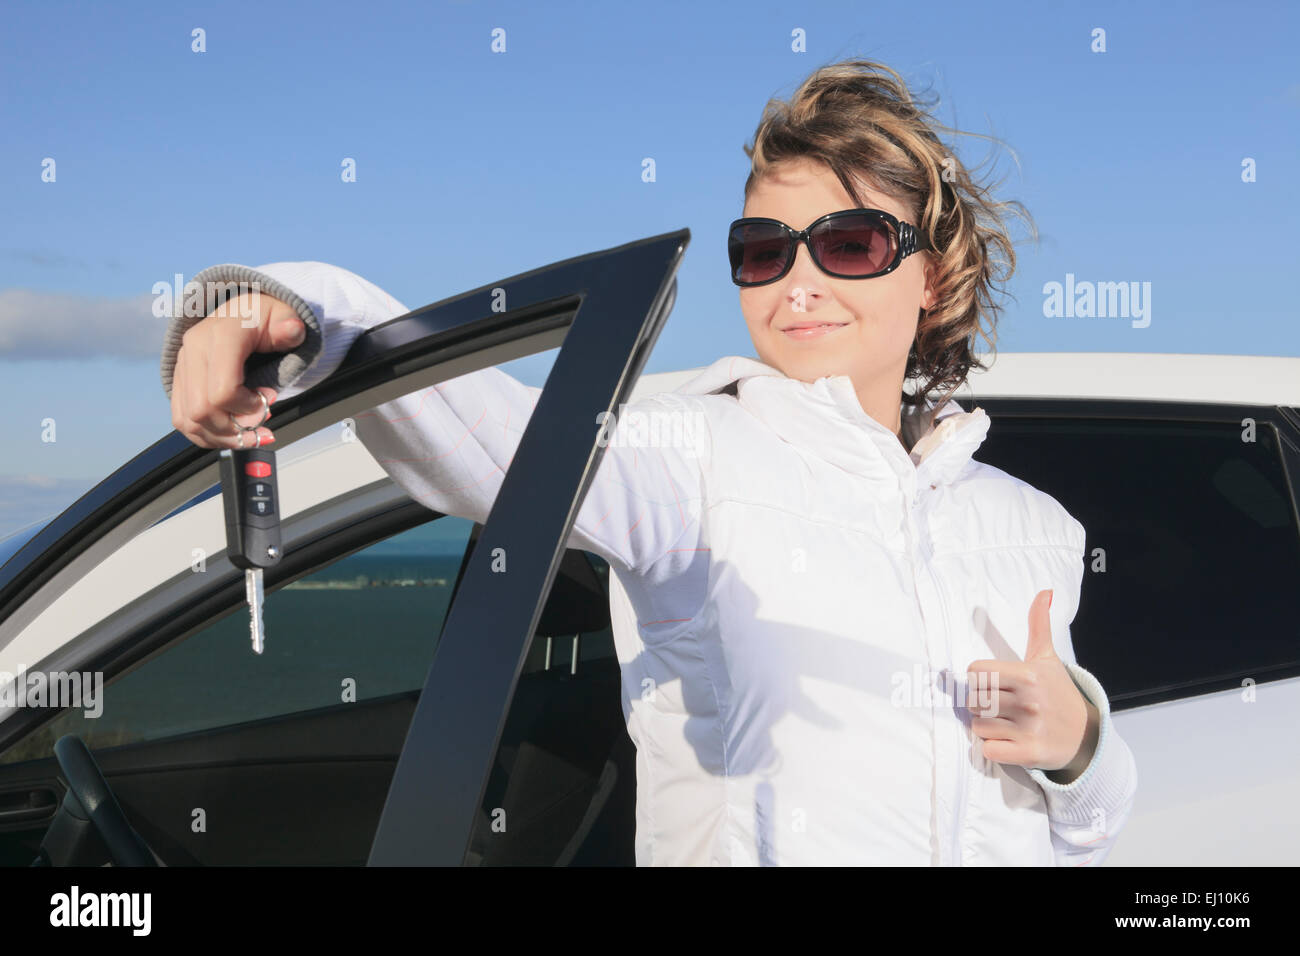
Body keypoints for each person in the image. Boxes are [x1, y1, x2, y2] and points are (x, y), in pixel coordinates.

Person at [162, 58, 1137, 866]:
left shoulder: (1032, 526)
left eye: (846, 242)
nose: (797, 282)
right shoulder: (688, 455)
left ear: (930, 275)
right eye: (763, 250)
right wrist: (284, 312)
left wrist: (1079, 744)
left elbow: (1088, 827)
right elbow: (483, 443)